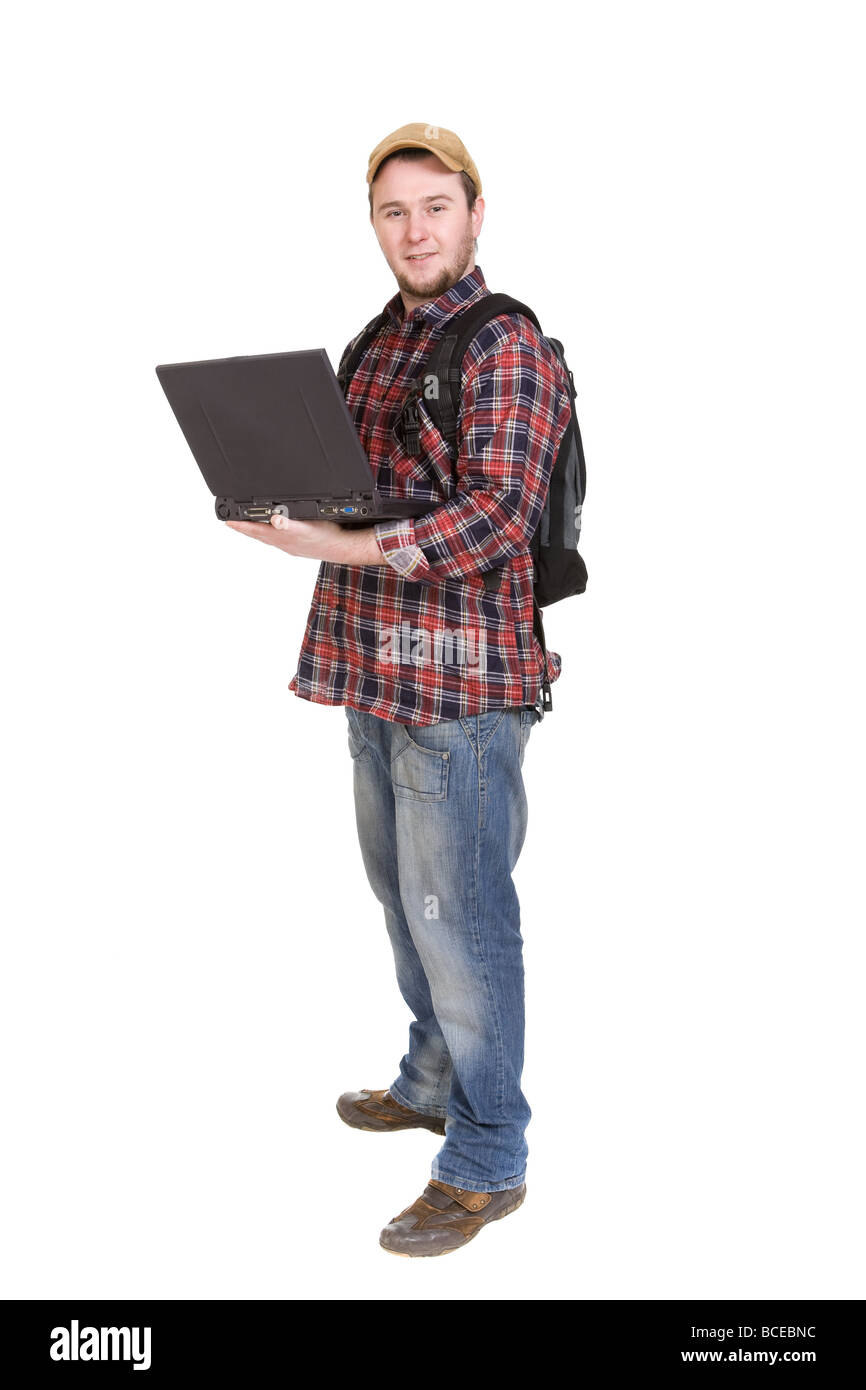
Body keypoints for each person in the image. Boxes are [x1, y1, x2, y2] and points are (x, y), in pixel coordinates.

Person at [227, 123, 572, 1256]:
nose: (414, 229)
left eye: (434, 206)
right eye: (392, 211)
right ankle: (429, 1076)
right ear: (373, 225)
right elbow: (354, 491)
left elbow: (495, 518)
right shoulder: (378, 338)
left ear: (475, 214)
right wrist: (274, 501)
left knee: (460, 920)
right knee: (399, 896)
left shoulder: (502, 343)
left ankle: (486, 1155)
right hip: (376, 668)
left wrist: (333, 547)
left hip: (462, 690)